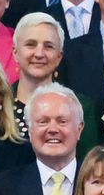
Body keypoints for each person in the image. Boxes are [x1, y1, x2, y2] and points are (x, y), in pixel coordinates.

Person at [0, 82, 87, 195]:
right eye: (43, 121)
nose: (53, 129)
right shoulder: (3, 189)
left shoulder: (100, 183)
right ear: (29, 130)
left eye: (62, 121)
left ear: (79, 129)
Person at [13, 12, 96, 149]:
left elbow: (87, 165)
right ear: (15, 53)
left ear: (59, 57)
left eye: (48, 46)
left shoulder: (80, 106)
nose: (39, 54)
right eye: (31, 45)